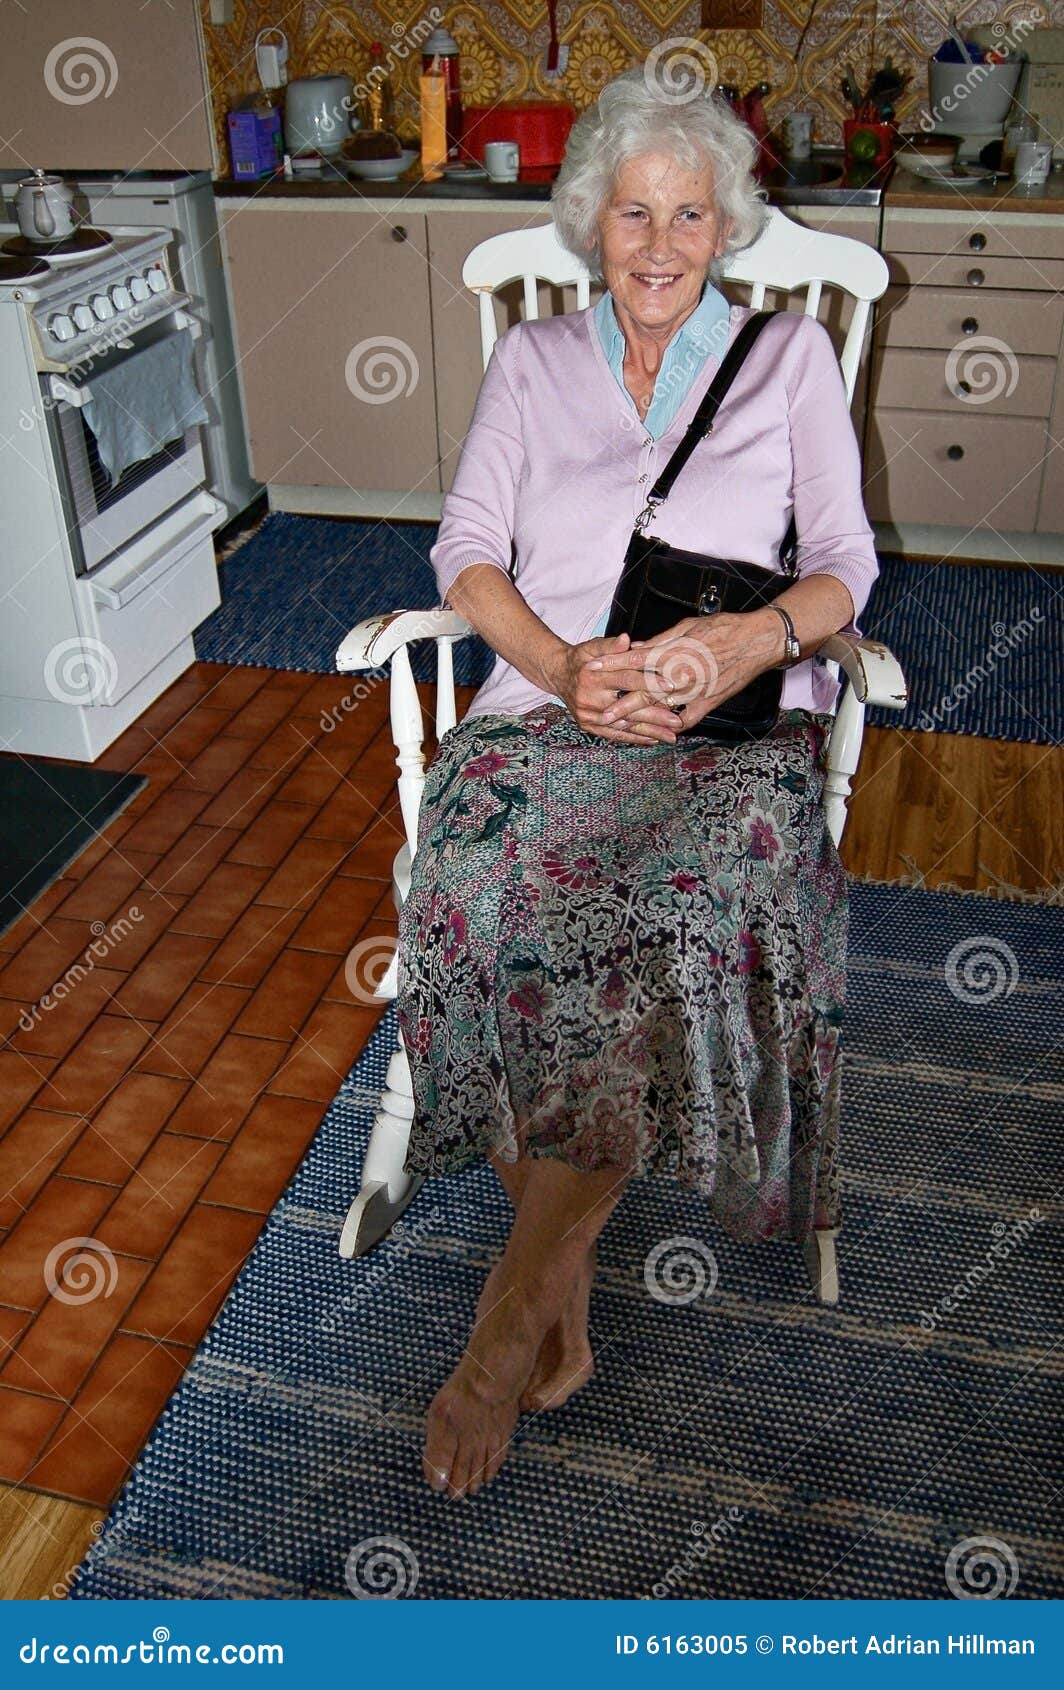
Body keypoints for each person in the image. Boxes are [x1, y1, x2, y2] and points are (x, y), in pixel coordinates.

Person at [394, 64, 879, 1502]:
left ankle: (506, 1324)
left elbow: (845, 564)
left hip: (726, 739)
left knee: (657, 937)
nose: (660, 244)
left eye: (689, 214)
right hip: (545, 711)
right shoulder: (535, 362)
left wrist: (748, 639)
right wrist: (560, 664)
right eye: (631, 214)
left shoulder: (788, 359)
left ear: (725, 227)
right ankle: (561, 1282)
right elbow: (464, 549)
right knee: (472, 898)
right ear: (590, 226)